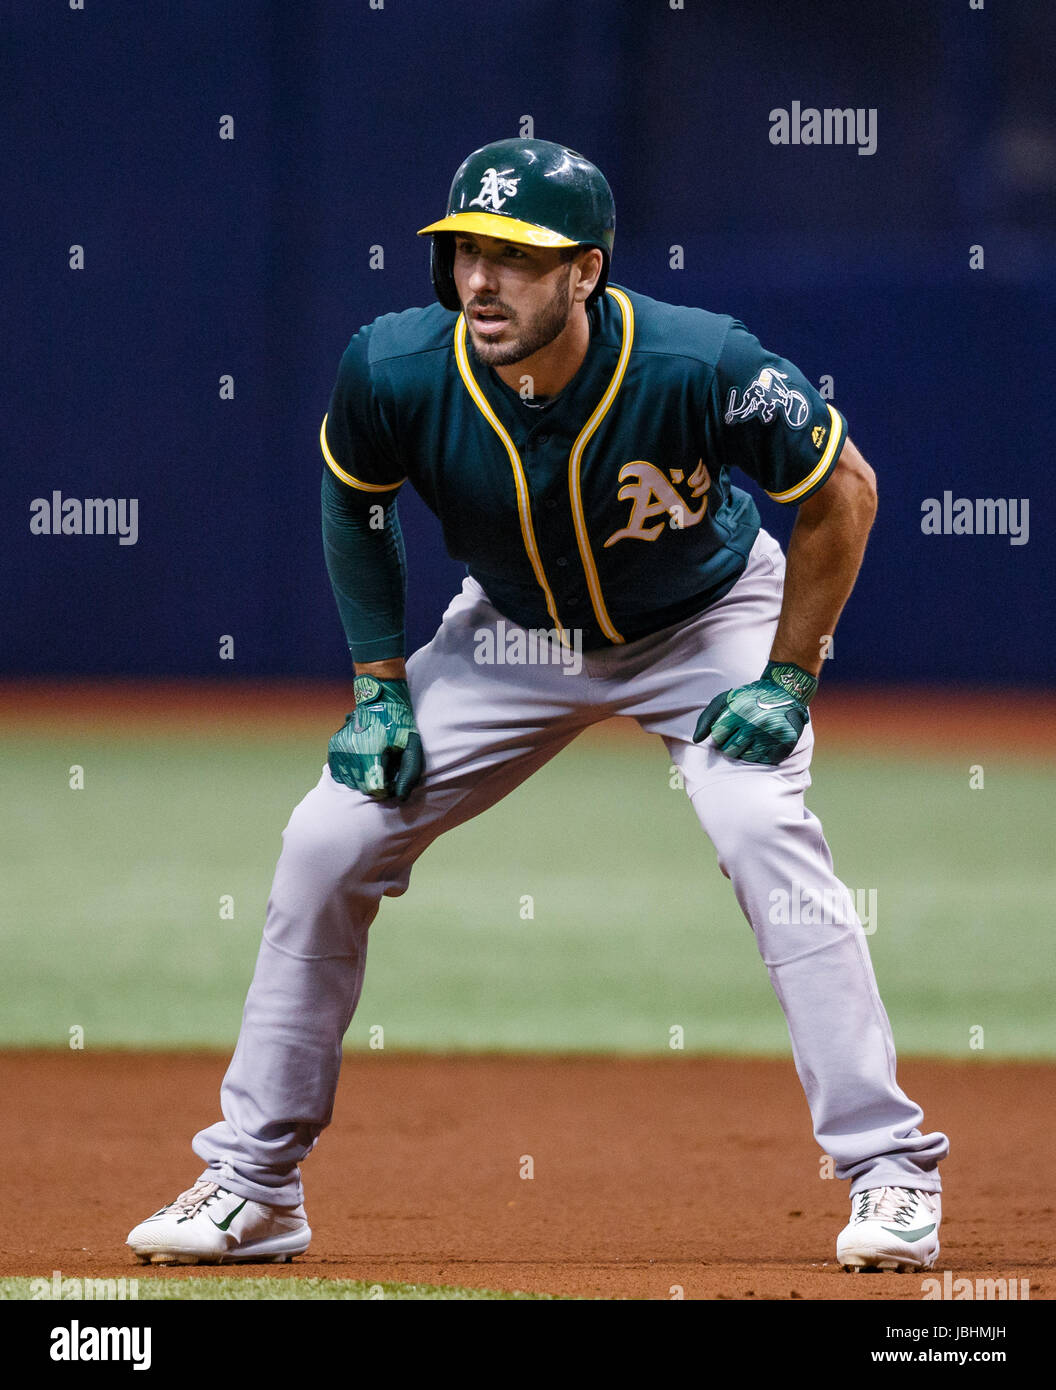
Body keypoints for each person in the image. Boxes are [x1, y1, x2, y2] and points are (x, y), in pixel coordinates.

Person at [127, 138, 947, 1274]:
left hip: (704, 619)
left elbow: (842, 487)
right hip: (511, 634)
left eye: (516, 256)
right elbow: (354, 503)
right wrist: (376, 687)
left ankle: (890, 1171)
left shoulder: (699, 360)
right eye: (466, 248)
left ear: (586, 271)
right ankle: (256, 1184)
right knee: (326, 839)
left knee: (762, 828)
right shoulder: (395, 367)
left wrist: (788, 674)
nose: (478, 278)